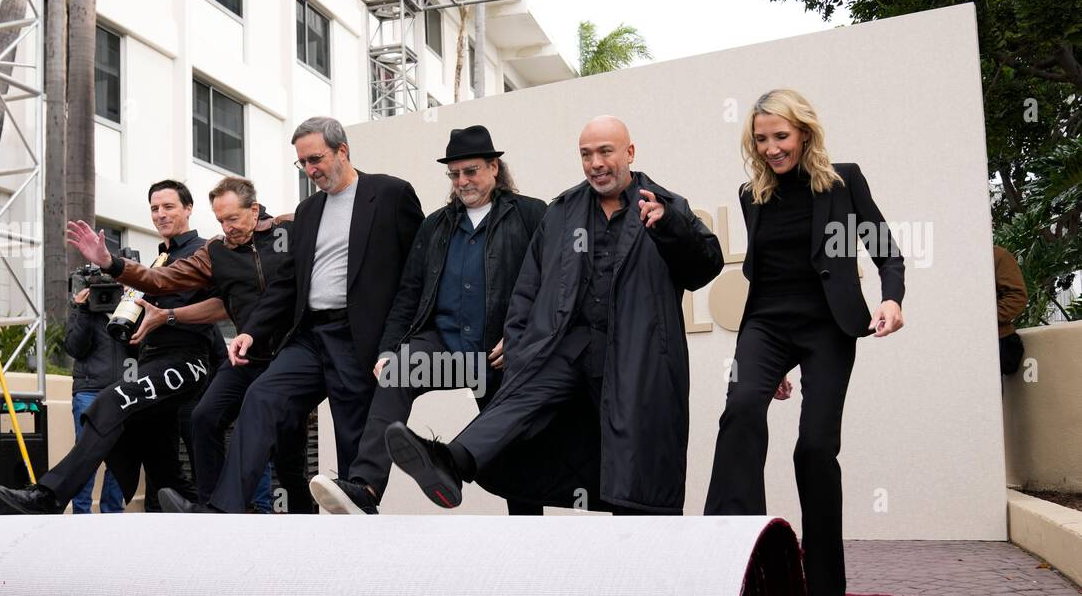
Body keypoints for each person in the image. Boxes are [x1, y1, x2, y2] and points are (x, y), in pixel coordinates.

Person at [386, 115, 723, 515]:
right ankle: (450, 461)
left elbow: (705, 267)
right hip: (566, 343)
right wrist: (518, 339)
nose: (595, 163)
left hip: (634, 354)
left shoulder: (665, 207)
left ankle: (639, 556)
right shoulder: (562, 211)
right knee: (521, 400)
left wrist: (671, 227)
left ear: (629, 153)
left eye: (604, 152)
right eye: (586, 154)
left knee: (634, 464)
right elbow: (528, 285)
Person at [693, 88, 906, 596]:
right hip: (766, 324)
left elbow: (885, 249)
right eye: (760, 139)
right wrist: (770, 366)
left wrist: (891, 298)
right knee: (740, 409)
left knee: (814, 448)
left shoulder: (843, 180)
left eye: (780, 137)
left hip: (829, 327)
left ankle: (824, 594)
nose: (770, 148)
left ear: (804, 134)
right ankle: (735, 569)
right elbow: (762, 274)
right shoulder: (752, 194)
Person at [161, 115, 424, 514]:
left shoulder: (390, 194)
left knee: (352, 436)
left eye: (316, 159)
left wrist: (396, 340)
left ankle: (360, 525)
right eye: (303, 163)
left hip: (359, 337)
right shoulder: (309, 210)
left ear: (343, 151)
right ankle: (223, 509)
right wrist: (250, 330)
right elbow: (287, 282)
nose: (311, 170)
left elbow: (416, 272)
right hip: (310, 337)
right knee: (262, 397)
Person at [310, 125, 545, 515]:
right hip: (448, 352)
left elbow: (554, 283)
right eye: (454, 174)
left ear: (493, 167)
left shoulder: (532, 215)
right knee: (397, 373)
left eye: (470, 171)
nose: (462, 181)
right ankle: (365, 489)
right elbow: (408, 294)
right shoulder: (435, 225)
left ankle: (527, 530)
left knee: (512, 446)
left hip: (500, 355)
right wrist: (389, 348)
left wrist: (525, 335)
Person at [65, 176, 311, 511]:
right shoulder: (213, 251)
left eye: (233, 219)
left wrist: (169, 317)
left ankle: (282, 513)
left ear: (254, 210)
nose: (227, 228)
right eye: (221, 220)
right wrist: (113, 264)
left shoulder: (285, 231)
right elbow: (161, 280)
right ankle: (211, 507)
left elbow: (232, 303)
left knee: (286, 452)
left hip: (276, 355)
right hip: (234, 356)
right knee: (203, 420)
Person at [0, 180, 223, 514]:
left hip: (186, 360)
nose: (160, 214)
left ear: (188, 208)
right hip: (153, 360)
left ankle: (50, 495)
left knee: (110, 402)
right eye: (155, 209)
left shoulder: (205, 250)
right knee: (160, 461)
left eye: (169, 206)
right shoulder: (161, 257)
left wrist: (166, 313)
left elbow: (220, 304)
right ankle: (203, 516)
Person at [64, 284, 128, 513]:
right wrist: (83, 310)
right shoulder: (83, 310)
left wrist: (131, 300)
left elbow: (140, 344)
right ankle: (81, 514)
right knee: (86, 455)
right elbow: (75, 348)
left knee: (121, 456)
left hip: (123, 390)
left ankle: (112, 513)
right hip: (89, 390)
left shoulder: (130, 307)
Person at [994, 244, 1027, 376]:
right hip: (948, 341)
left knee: (985, 391)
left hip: (990, 341)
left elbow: (1017, 296)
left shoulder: (996, 256)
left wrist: (983, 319)